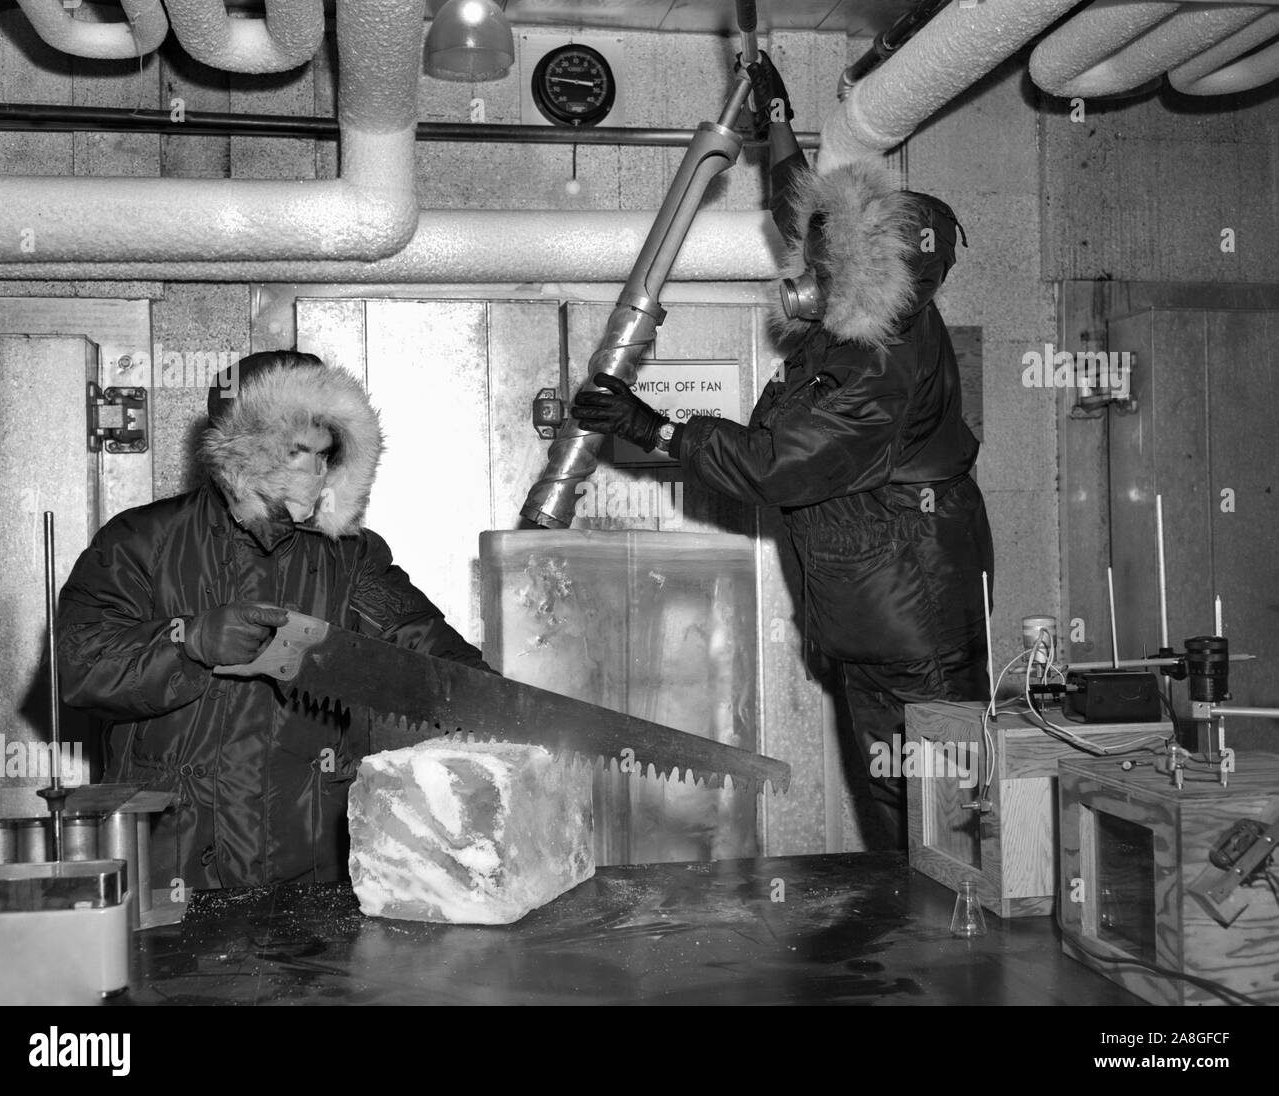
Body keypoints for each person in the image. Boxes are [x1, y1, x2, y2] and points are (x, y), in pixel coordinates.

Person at [572, 55, 993, 847]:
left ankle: (959, 955)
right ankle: (923, 941)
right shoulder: (868, 313)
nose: (805, 269)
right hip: (884, 612)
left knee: (940, 819)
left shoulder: (877, 367)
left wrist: (651, 428)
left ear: (870, 273)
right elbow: (806, 207)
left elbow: (775, 466)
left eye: (825, 263)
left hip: (912, 633)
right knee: (902, 809)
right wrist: (775, 119)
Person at [57, 351, 491, 888]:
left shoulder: (349, 558)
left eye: (325, 453)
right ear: (244, 446)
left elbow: (427, 651)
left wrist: (501, 704)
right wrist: (186, 641)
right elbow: (78, 667)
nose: (313, 470)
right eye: (295, 450)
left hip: (310, 866)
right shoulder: (141, 541)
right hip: (173, 864)